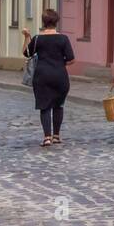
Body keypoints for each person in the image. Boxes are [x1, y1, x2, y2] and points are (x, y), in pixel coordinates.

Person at [22, 9, 74, 147]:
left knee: (44, 106)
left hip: (42, 76)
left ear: (43, 22)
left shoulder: (38, 39)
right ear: (57, 22)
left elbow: (26, 53)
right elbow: (71, 59)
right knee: (59, 105)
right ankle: (56, 136)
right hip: (60, 76)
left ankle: (47, 138)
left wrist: (26, 36)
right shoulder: (63, 39)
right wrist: (60, 63)